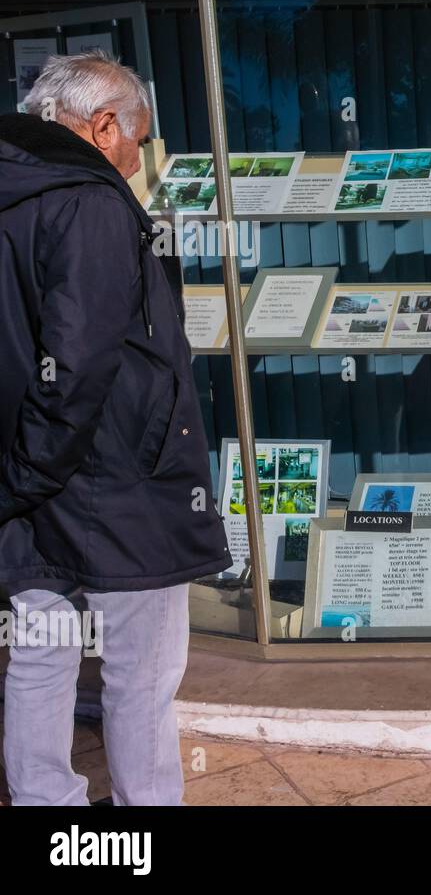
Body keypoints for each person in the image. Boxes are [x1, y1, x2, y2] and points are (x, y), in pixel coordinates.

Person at [0, 51, 231, 805]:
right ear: (104, 127)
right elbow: (78, 362)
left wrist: (17, 480)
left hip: (26, 482)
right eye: (139, 140)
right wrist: (35, 471)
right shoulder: (90, 201)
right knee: (142, 673)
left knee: (39, 655)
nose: (139, 161)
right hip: (113, 482)